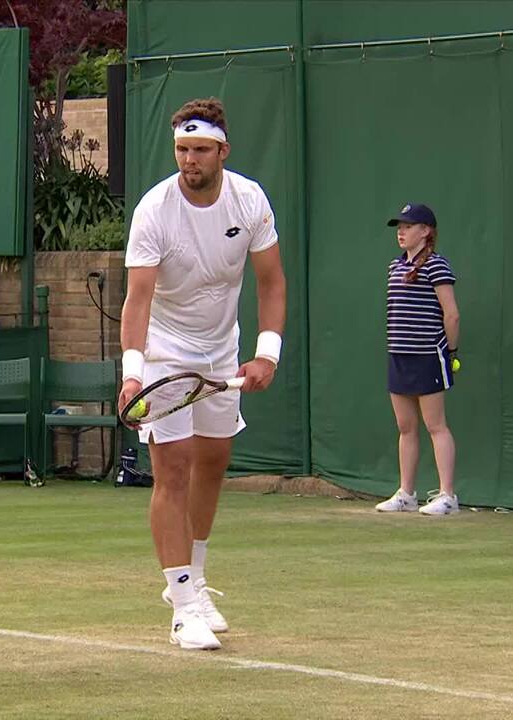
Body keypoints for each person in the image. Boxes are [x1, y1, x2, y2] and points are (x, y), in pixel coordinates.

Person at [117, 97, 286, 651]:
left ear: (222, 151)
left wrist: (267, 353)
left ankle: (196, 580)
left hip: (221, 349)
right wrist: (134, 373)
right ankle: (182, 604)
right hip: (165, 353)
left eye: (200, 150)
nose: (189, 160)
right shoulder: (154, 210)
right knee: (173, 469)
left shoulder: (249, 199)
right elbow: (138, 298)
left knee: (212, 466)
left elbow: (271, 282)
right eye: (182, 150)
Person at [373, 203, 461, 517]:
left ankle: (447, 496)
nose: (401, 232)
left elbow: (451, 314)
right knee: (405, 427)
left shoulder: (437, 266)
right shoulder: (394, 267)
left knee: (435, 425)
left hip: (428, 355)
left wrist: (450, 352)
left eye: (408, 226)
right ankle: (406, 494)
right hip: (399, 354)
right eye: (399, 227)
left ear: (425, 231)